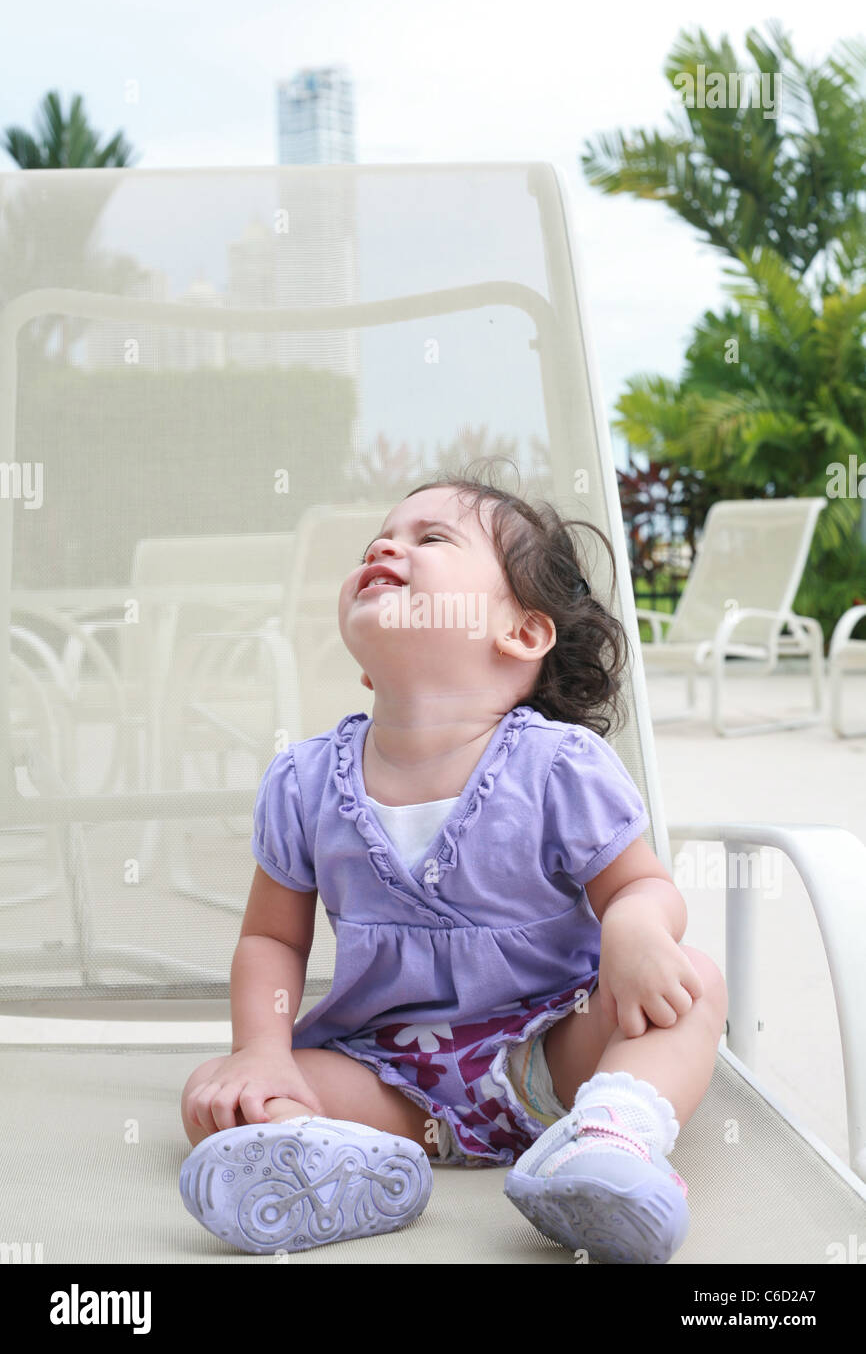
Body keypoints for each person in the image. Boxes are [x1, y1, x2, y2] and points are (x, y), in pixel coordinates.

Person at [179, 461, 727, 1263]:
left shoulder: (557, 767)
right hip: (391, 1079)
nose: (385, 548)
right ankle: (352, 1168)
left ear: (523, 632)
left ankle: (611, 1140)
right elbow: (273, 942)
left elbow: (639, 884)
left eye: (430, 537)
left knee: (692, 981)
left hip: (555, 1055)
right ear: (366, 665)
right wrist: (260, 1051)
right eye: (378, 541)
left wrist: (637, 929)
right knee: (211, 1094)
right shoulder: (303, 783)